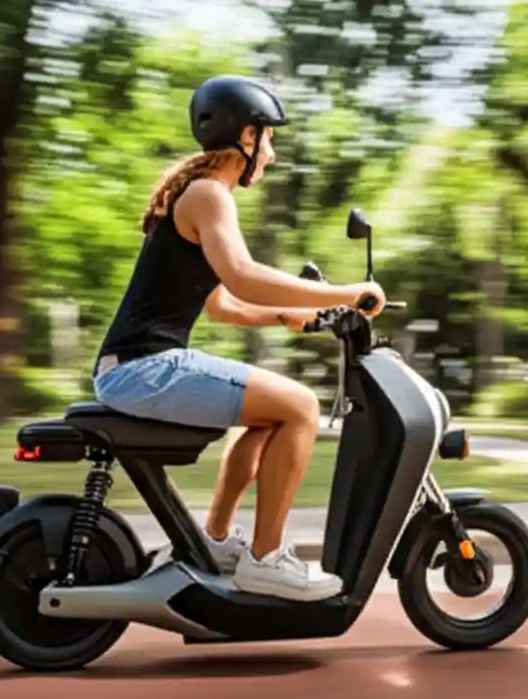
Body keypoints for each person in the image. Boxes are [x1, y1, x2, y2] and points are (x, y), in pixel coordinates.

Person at [92, 75, 385, 602]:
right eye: (268, 138)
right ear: (244, 137)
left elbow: (221, 302)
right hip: (143, 368)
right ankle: (267, 561)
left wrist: (282, 317)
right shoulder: (208, 195)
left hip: (136, 367)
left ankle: (218, 538)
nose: (271, 154)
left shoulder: (200, 195)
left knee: (271, 411)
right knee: (299, 406)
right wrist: (345, 292)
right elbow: (243, 274)